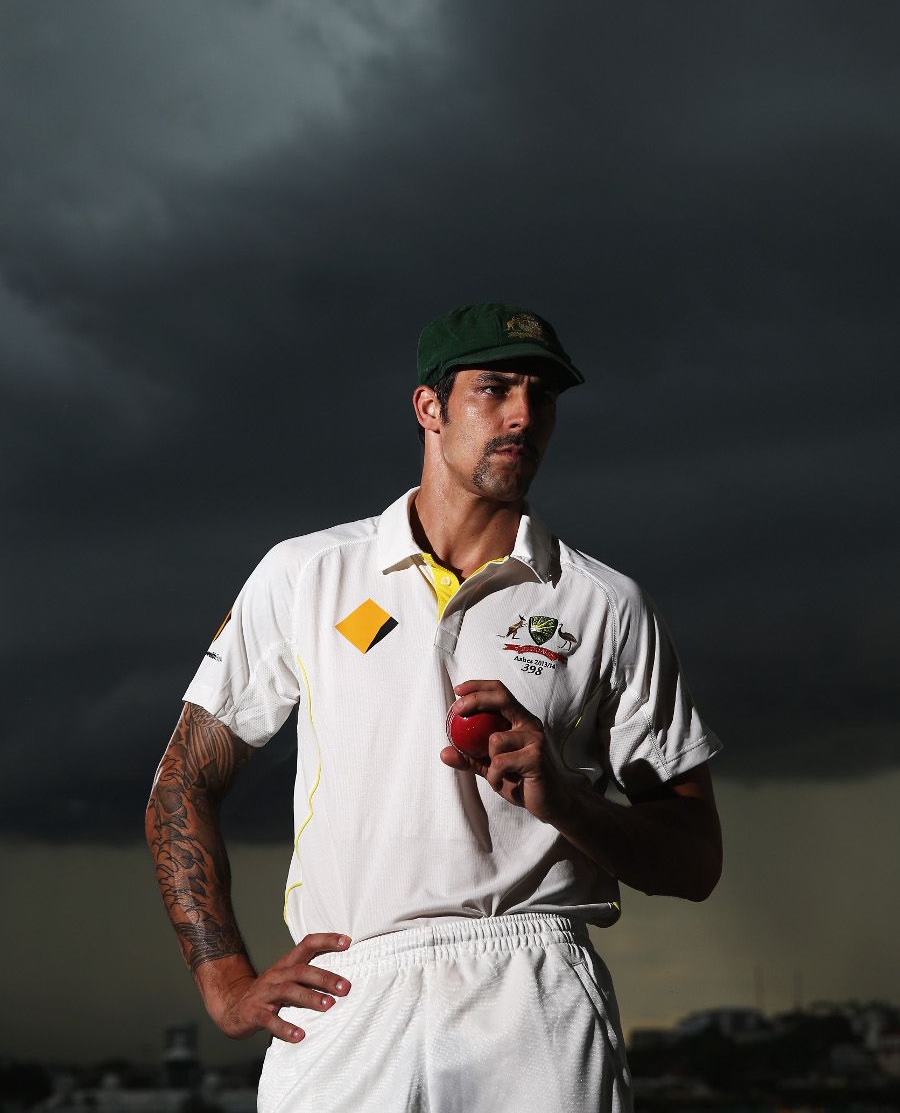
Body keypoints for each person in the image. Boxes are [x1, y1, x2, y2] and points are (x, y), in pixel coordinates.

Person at [146, 302, 723, 1113]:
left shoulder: (605, 604)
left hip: (535, 985)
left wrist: (567, 799)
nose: (523, 414)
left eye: (543, 396)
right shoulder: (308, 573)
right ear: (429, 406)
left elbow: (695, 861)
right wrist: (226, 983)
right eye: (495, 388)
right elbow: (181, 782)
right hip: (349, 985)